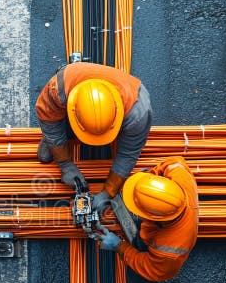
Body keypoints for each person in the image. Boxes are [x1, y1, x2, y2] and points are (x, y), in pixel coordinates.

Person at [92, 156, 199, 283]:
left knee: (142, 280)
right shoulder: (180, 176)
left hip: (155, 261)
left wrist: (119, 246)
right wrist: (149, 178)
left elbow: (148, 267)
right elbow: (172, 162)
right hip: (156, 209)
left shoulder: (169, 248)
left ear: (153, 218)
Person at [36, 62, 152, 211]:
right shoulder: (58, 89)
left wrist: (107, 193)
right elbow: (49, 121)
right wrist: (65, 164)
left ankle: (64, 137)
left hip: (128, 107)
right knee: (47, 151)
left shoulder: (138, 113)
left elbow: (127, 154)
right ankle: (65, 130)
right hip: (70, 96)